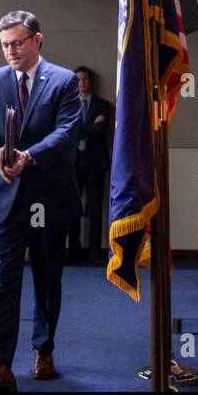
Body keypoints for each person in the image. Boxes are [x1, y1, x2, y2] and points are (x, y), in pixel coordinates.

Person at [0, 11, 81, 392]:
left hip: (46, 197)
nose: (10, 51)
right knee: (3, 281)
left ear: (37, 40)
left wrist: (29, 156)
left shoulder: (64, 81)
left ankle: (43, 348)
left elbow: (68, 131)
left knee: (47, 278)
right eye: (4, 45)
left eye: (17, 42)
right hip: (4, 196)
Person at [67, 67, 113, 263]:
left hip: (95, 162)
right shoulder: (68, 105)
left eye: (85, 79)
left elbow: (98, 129)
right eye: (78, 80)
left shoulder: (104, 105)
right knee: (72, 207)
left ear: (91, 81)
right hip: (72, 163)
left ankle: (95, 251)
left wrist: (81, 127)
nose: (82, 83)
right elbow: (67, 130)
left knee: (95, 208)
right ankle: (74, 250)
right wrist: (88, 126)